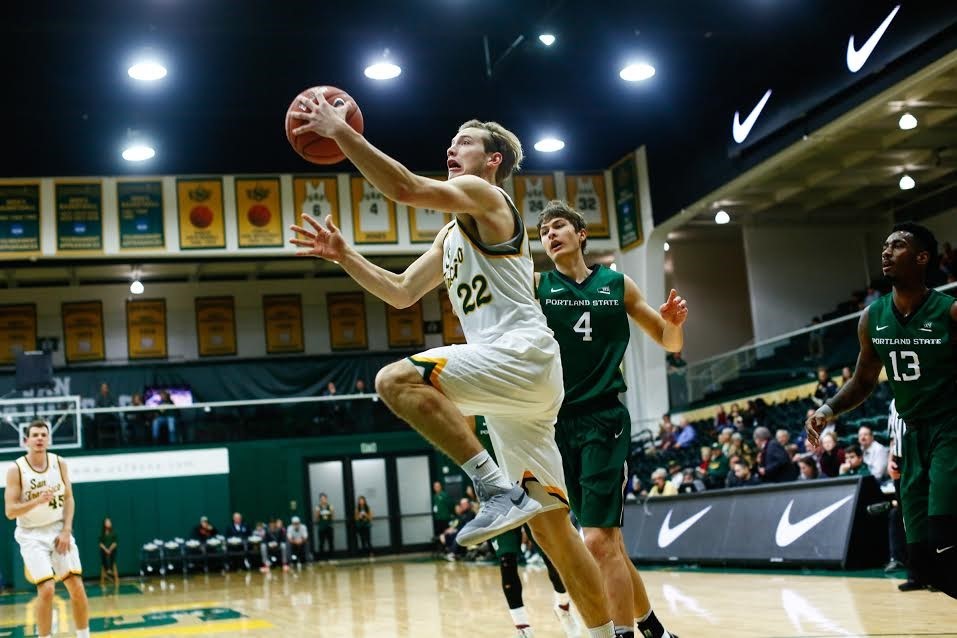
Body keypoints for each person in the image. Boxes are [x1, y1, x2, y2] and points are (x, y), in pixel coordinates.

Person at [289, 99, 614, 632]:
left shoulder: (488, 196)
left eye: (464, 142)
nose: (451, 148)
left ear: (492, 161)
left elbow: (404, 189)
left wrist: (341, 133)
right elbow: (399, 293)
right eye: (453, 141)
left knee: (394, 380)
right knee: (553, 529)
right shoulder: (452, 235)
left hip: (519, 353)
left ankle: (491, 489)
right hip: (514, 381)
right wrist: (345, 256)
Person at [536, 200, 685, 637]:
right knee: (609, 545)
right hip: (558, 425)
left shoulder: (617, 284)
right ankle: (654, 630)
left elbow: (668, 341)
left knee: (597, 541)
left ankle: (621, 634)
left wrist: (674, 323)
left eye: (559, 225)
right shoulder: (537, 287)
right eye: (544, 231)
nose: (550, 234)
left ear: (581, 234)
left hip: (604, 420)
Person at [806, 223, 957, 599]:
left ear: (922, 258)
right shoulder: (871, 317)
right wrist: (826, 410)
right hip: (911, 435)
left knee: (946, 540)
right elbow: (862, 382)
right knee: (922, 562)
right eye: (885, 245)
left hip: (950, 430)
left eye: (899, 246)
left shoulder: (949, 311)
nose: (886, 252)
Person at [475, 415, 579, 637]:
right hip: (497, 499)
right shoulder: (472, 412)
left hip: (526, 489)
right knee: (507, 561)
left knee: (550, 556)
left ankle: (563, 607)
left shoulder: (509, 401)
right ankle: (523, 629)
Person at [5, 420, 91, 638]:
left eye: (44, 434)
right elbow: (10, 511)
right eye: (35, 435)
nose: (40, 438)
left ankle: (84, 635)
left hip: (58, 530)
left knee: (77, 588)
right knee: (47, 589)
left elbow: (69, 499)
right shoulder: (16, 469)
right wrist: (37, 501)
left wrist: (66, 530)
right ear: (26, 441)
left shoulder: (59, 463)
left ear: (49, 439)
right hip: (31, 535)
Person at [99, 517, 119, 587]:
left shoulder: (114, 533)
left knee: (112, 554)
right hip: (104, 550)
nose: (108, 523)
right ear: (104, 524)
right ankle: (107, 569)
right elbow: (100, 544)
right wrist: (105, 549)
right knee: (102, 553)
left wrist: (109, 549)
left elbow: (115, 543)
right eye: (106, 522)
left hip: (112, 550)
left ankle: (110, 569)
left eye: (109, 522)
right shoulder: (102, 534)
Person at [314, 493, 335, 559]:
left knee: (331, 543)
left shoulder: (330, 506)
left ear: (326, 499)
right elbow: (316, 518)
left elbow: (333, 517)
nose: (323, 500)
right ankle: (321, 558)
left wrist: (330, 512)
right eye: (321, 499)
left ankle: (331, 557)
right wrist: (318, 512)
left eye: (324, 499)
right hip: (321, 527)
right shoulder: (318, 507)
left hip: (329, 526)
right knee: (321, 543)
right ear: (320, 500)